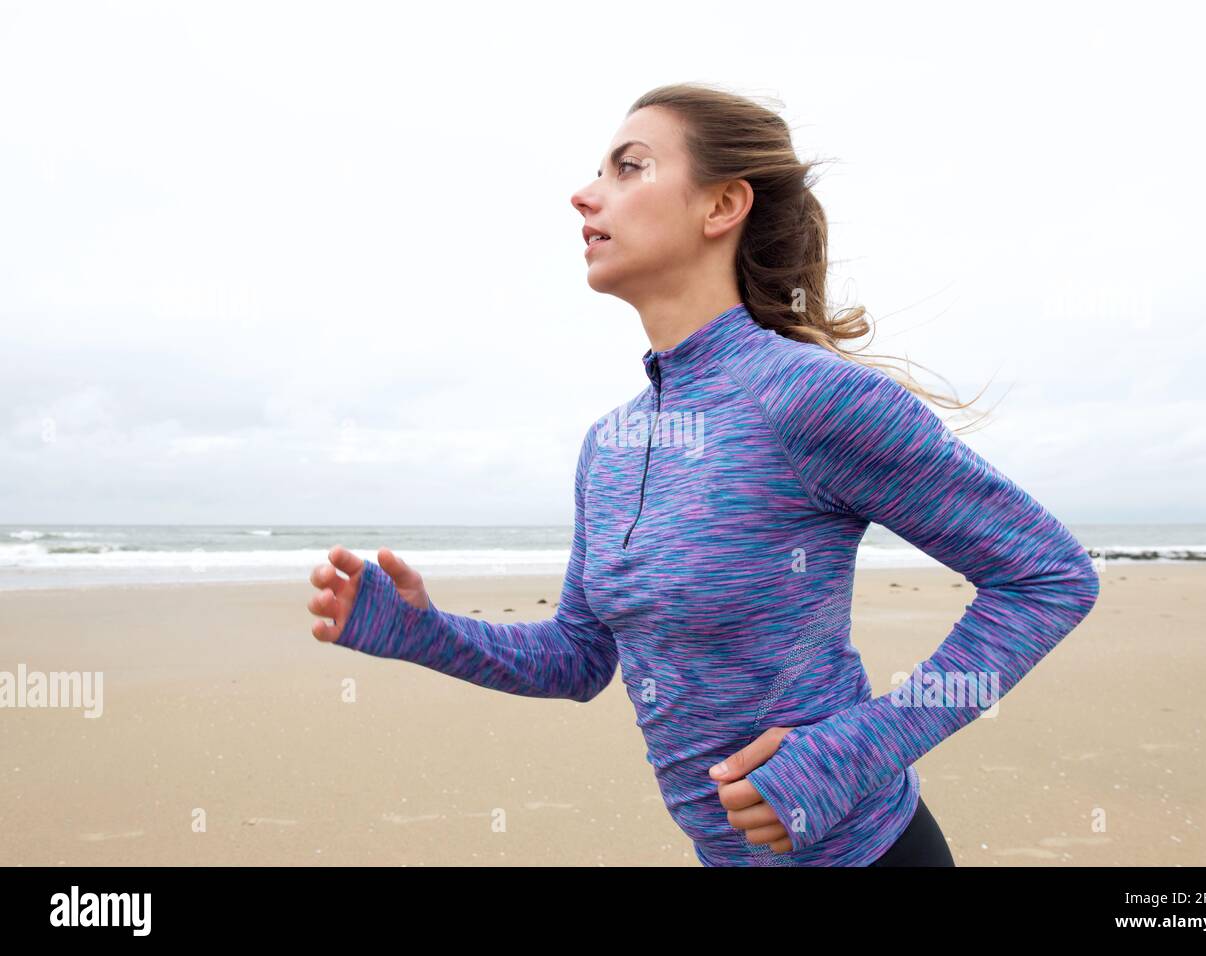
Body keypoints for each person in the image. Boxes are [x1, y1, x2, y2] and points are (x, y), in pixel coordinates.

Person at [306, 83, 1100, 866]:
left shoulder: (808, 396)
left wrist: (860, 748)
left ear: (722, 207)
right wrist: (425, 633)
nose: (584, 196)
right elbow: (580, 659)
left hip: (867, 855)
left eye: (628, 167)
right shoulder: (608, 444)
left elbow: (1049, 577)